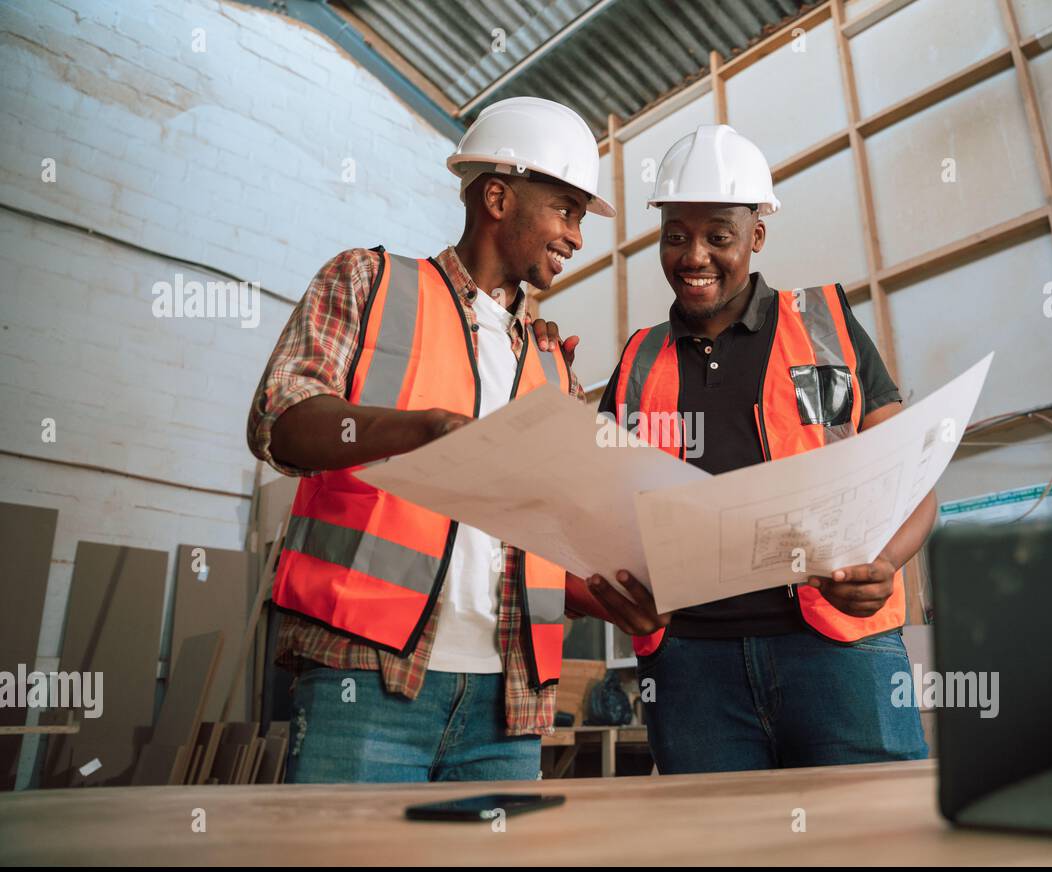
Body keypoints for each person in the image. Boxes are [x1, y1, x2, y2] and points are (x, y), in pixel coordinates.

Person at [246, 97, 614, 783]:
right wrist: (422, 430)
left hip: (508, 703)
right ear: (498, 197)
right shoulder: (369, 282)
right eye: (566, 210)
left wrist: (616, 588)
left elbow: (544, 539)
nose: (577, 237)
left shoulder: (553, 363)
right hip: (366, 680)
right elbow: (279, 418)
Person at [579, 125, 935, 773]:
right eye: (676, 234)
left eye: (718, 235)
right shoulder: (638, 358)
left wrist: (883, 561)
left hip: (838, 650)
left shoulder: (825, 323)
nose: (694, 256)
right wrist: (615, 593)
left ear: (755, 236)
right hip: (690, 666)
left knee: (877, 838)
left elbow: (914, 476)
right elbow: (601, 514)